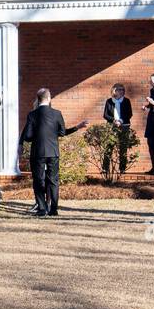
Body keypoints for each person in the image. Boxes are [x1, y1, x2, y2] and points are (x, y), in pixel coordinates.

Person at [20, 87, 89, 217]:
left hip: (38, 152)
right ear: (49, 98)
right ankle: (53, 209)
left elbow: (27, 136)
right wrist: (76, 127)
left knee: (38, 180)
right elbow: (62, 133)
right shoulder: (57, 114)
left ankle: (42, 208)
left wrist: (37, 135)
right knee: (53, 181)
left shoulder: (32, 114)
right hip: (53, 152)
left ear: (38, 99)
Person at [102, 83, 133, 176]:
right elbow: (105, 115)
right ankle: (105, 168)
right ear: (114, 91)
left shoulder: (126, 101)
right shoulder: (109, 101)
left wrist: (121, 121)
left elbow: (129, 114)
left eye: (123, 89)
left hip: (124, 126)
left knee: (123, 147)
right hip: (112, 126)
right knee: (109, 147)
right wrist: (114, 121)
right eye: (119, 89)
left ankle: (122, 169)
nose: (122, 91)